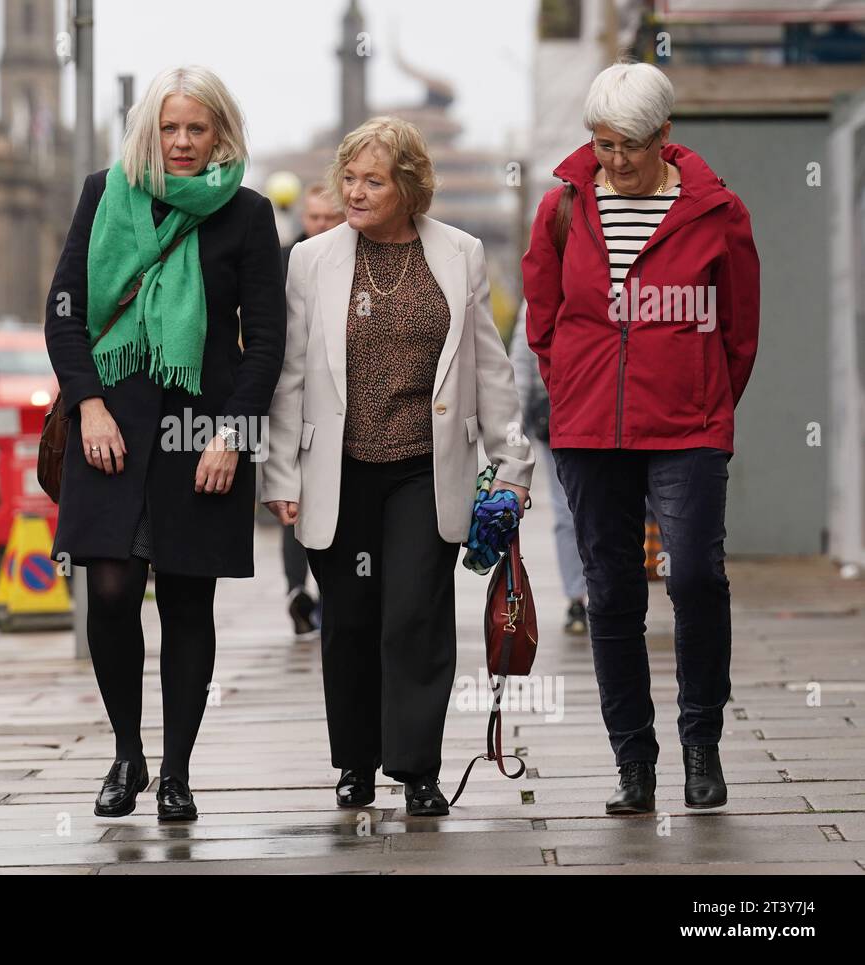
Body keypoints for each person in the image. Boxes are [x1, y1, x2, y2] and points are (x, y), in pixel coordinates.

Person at [262, 116, 533, 817]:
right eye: (347, 177)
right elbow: (291, 374)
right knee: (349, 618)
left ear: (408, 186)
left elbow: (490, 368)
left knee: (414, 612)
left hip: (423, 466)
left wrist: (512, 464)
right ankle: (355, 762)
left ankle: (415, 767)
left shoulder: (460, 254)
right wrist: (281, 476)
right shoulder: (311, 260)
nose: (353, 191)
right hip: (341, 469)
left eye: (372, 180)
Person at [44, 65, 285, 822]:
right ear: (149, 129)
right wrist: (87, 406)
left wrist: (233, 434)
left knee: (187, 600)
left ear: (221, 133)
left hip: (200, 435)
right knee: (111, 592)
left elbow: (268, 341)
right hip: (109, 428)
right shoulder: (102, 193)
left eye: (197, 129)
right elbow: (65, 313)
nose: (181, 143)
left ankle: (177, 771)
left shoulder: (245, 214)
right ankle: (127, 751)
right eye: (170, 127)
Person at [522, 61, 760, 815]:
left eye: (630, 144)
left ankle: (701, 743)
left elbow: (740, 329)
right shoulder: (562, 209)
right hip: (591, 429)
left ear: (665, 135)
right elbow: (543, 317)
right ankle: (634, 762)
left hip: (687, 424)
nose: (615, 160)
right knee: (612, 590)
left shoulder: (718, 213)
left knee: (693, 574)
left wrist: (706, 399)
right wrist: (572, 389)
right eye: (602, 144)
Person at [277, 183, 344, 638]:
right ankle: (296, 590)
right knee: (292, 498)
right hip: (293, 398)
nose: (319, 225)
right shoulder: (285, 259)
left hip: (338, 403)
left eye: (328, 218)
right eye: (313, 217)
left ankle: (327, 592)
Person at [507, 300, 588, 634]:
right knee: (566, 513)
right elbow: (522, 365)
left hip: (596, 414)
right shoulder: (534, 303)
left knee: (587, 513)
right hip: (553, 420)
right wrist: (514, 429)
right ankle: (576, 597)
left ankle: (593, 593)